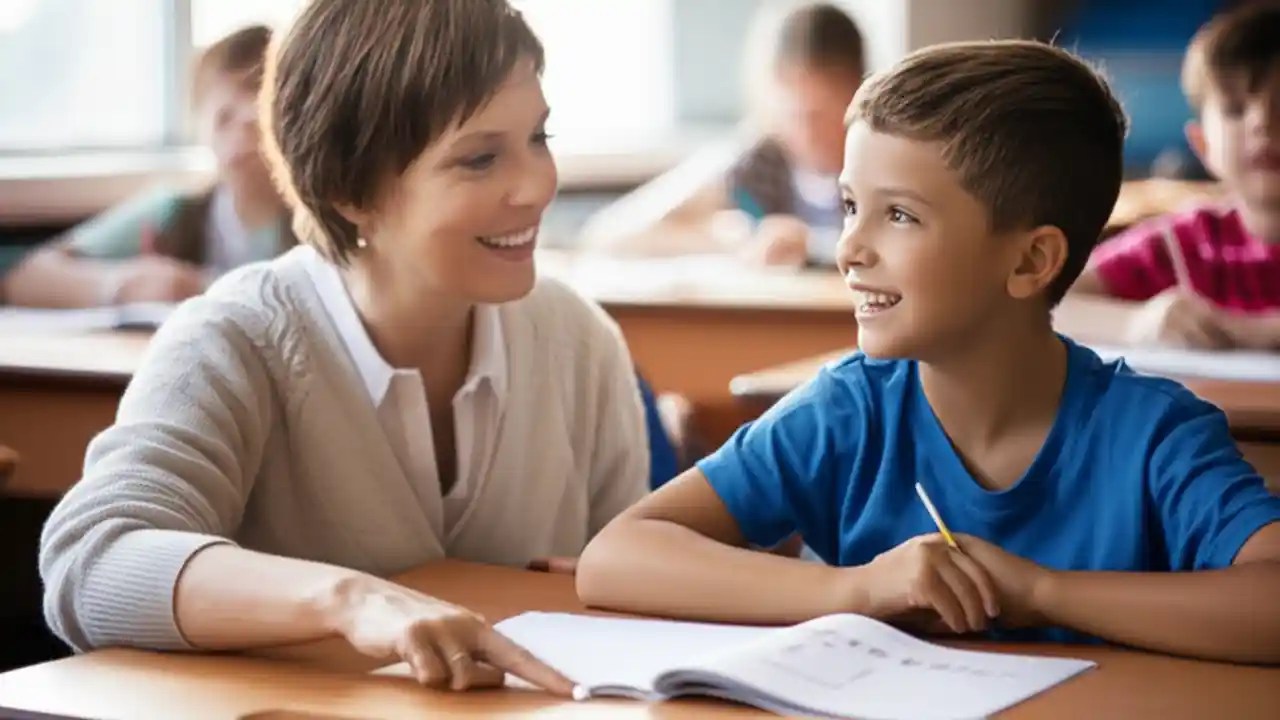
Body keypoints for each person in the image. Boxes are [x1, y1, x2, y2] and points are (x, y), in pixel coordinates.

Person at [576, 40, 1280, 665]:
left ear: (1032, 261)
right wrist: (855, 588)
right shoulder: (848, 411)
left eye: (901, 215)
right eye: (851, 206)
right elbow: (615, 556)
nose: (851, 247)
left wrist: (1040, 592)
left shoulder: (1152, 434)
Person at [40, 0, 650, 694]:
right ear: (347, 191)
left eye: (539, 138)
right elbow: (91, 563)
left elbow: (625, 584)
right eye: (480, 159)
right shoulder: (237, 338)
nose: (538, 184)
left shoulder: (578, 339)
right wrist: (353, 601)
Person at [5, 25, 290, 308]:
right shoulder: (176, 212)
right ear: (201, 124)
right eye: (224, 118)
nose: (241, 139)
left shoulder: (315, 222)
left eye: (256, 121)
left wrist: (204, 288)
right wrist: (123, 286)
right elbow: (23, 275)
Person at [578, 2, 863, 268]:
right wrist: (732, 242)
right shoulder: (753, 165)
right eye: (795, 116)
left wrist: (814, 247)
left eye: (823, 113)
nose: (810, 133)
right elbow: (608, 234)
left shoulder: (876, 163)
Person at [1064, 3, 1280, 350]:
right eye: (1235, 109)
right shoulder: (1179, 246)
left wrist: (1252, 331)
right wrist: (1138, 323)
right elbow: (1049, 303)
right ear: (1202, 144)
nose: (1262, 125)